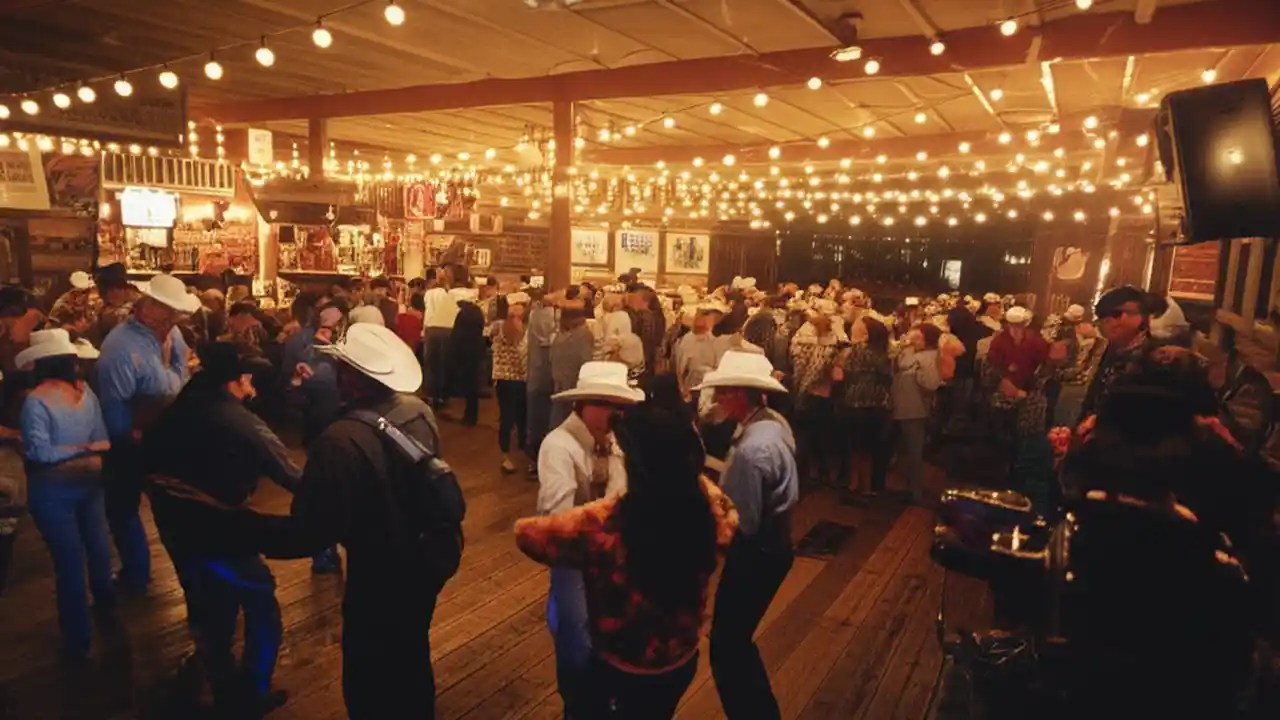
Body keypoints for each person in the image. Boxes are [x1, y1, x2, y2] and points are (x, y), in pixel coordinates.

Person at [241, 324, 448, 719]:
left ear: (351, 379)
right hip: (423, 559)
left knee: (368, 675)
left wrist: (245, 528)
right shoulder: (419, 412)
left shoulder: (340, 440)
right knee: (411, 657)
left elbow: (311, 531)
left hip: (376, 570)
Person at [515, 403, 738, 718]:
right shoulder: (710, 508)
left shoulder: (605, 524)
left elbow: (528, 535)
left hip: (620, 663)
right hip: (679, 657)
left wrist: (601, 505)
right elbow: (728, 516)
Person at [144, 342, 298, 716]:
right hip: (218, 530)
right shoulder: (239, 420)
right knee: (260, 599)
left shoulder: (181, 404)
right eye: (249, 380)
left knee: (207, 602)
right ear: (236, 380)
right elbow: (291, 473)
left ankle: (214, 679)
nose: (253, 388)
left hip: (175, 524)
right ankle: (251, 691)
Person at [696, 351, 797, 720]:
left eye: (724, 391)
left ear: (742, 393)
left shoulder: (752, 450)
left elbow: (743, 522)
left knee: (727, 645)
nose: (719, 398)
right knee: (735, 641)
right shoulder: (773, 422)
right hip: (778, 545)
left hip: (758, 553)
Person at [537, 361, 641, 718]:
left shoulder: (615, 443)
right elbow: (558, 512)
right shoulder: (559, 445)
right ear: (580, 405)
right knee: (574, 634)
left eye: (617, 405)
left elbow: (624, 493)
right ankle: (578, 704)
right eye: (604, 403)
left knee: (608, 629)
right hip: (574, 555)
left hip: (610, 553)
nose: (614, 412)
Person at [97, 273, 196, 592]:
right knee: (124, 507)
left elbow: (183, 373)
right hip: (131, 438)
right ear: (148, 307)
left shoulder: (173, 334)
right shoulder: (121, 348)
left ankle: (189, 575)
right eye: (168, 311)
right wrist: (126, 438)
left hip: (166, 432)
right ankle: (136, 573)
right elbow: (115, 406)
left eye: (175, 313)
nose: (173, 319)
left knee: (172, 507)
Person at [17, 329, 111, 660]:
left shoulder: (36, 400)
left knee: (69, 563)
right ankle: (108, 619)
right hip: (90, 482)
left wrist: (70, 449)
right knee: (98, 551)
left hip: (52, 489)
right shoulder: (88, 395)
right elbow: (102, 442)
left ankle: (79, 639)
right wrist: (86, 449)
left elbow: (40, 453)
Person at [837, 316, 893, 497]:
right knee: (870, 447)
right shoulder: (884, 351)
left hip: (856, 401)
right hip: (878, 403)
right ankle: (868, 486)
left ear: (865, 333)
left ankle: (854, 483)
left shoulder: (855, 351)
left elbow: (841, 373)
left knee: (855, 446)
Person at [789, 305, 842, 486]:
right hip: (823, 395)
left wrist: (798, 387)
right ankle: (824, 471)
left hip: (806, 393)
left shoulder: (801, 341)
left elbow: (799, 367)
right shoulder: (834, 344)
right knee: (822, 436)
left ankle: (804, 471)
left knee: (804, 435)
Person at [892, 324, 943, 504]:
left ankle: (916, 492)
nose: (914, 341)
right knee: (907, 449)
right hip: (906, 407)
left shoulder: (926, 357)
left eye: (918, 337)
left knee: (914, 451)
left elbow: (930, 383)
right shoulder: (912, 355)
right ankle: (909, 487)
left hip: (914, 409)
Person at [492, 292, 530, 474]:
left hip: (502, 380)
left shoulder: (498, 327)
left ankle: (505, 455)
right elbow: (524, 356)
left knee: (506, 417)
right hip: (519, 379)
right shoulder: (523, 331)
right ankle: (520, 450)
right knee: (520, 416)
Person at [549, 305, 595, 433]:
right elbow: (586, 360)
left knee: (557, 419)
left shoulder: (559, 336)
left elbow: (551, 357)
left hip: (559, 381)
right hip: (575, 383)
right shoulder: (583, 334)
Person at [421, 266, 459, 408]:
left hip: (432, 329)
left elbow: (428, 313)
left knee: (431, 364)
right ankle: (443, 396)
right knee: (444, 363)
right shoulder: (450, 293)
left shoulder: (429, 294)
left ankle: (431, 395)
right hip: (448, 329)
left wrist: (424, 331)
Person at [451, 288, 486, 425]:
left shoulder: (462, 314)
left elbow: (456, 335)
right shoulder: (478, 312)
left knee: (468, 385)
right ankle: (472, 415)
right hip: (476, 349)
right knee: (473, 385)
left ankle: (469, 417)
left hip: (465, 351)